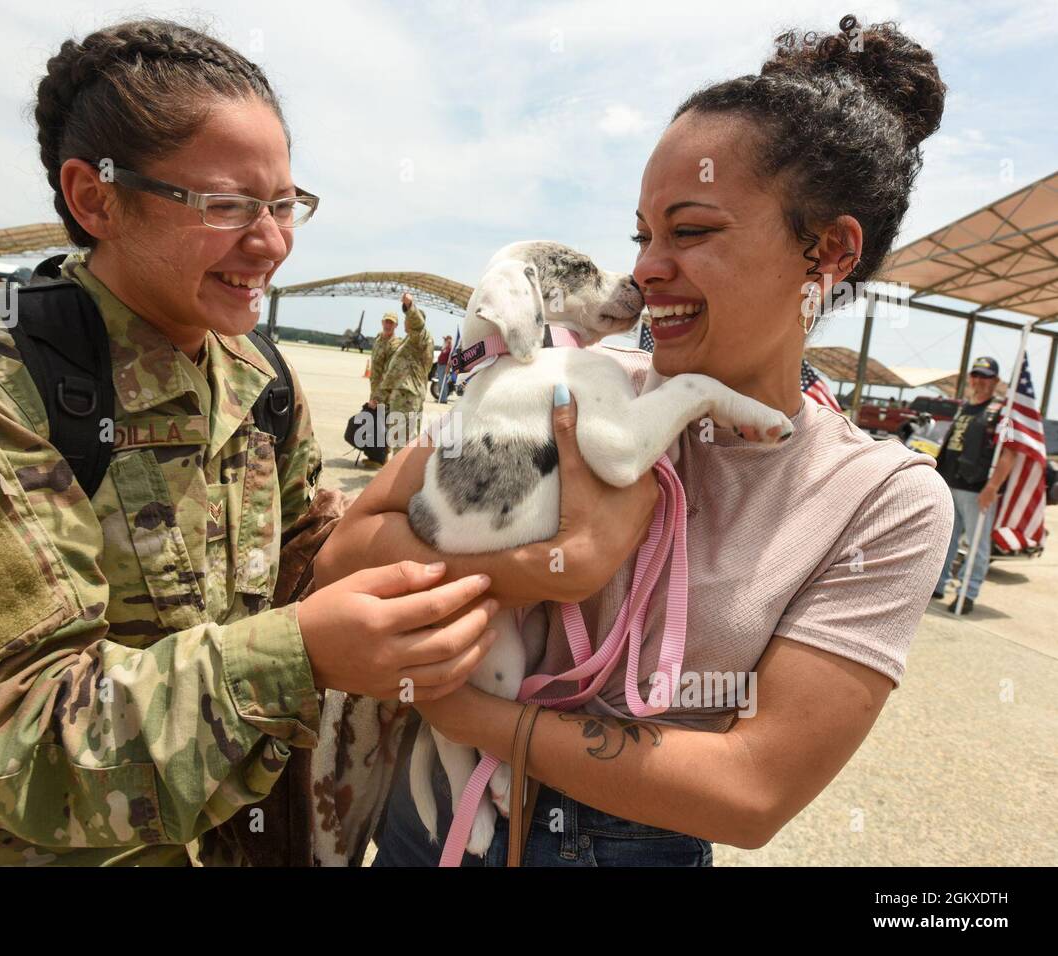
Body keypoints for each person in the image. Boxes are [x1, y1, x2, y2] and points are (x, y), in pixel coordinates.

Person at [0, 19, 499, 866]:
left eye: (285, 205)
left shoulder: (255, 377)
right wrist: (305, 655)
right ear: (96, 198)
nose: (272, 242)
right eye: (228, 206)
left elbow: (303, 559)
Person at [316, 14, 955, 866]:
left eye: (689, 231)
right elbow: (346, 552)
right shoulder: (588, 387)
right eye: (642, 235)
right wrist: (558, 562)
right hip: (427, 826)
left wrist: (476, 717)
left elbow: (750, 791)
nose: (648, 267)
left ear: (828, 251)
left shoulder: (881, 498)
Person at [931, 356, 1015, 615]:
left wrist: (992, 487)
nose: (979, 381)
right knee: (947, 540)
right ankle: (938, 584)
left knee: (977, 544)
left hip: (976, 489)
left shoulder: (1001, 412)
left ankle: (967, 592)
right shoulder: (965, 407)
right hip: (950, 482)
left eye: (986, 376)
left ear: (996, 381)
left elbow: (1010, 453)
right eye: (976, 375)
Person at [380, 292, 434, 452]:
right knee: (405, 438)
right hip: (405, 395)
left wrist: (409, 306)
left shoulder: (420, 337)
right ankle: (403, 473)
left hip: (407, 396)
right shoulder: (410, 339)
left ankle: (399, 475)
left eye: (407, 319)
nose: (405, 321)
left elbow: (418, 324)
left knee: (401, 439)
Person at [368, 311, 398, 408]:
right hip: (374, 387)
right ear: (382, 322)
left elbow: (389, 374)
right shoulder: (379, 338)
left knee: (381, 419)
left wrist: (377, 397)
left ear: (396, 325)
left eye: (391, 323)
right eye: (386, 322)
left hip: (384, 393)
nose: (388, 325)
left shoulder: (394, 345)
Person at [435, 334, 453, 404]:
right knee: (440, 383)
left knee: (443, 383)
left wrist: (448, 367)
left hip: (444, 366)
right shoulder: (445, 346)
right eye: (446, 339)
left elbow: (450, 359)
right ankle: (441, 398)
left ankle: (444, 399)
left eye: (448, 339)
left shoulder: (450, 348)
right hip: (440, 365)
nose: (446, 340)